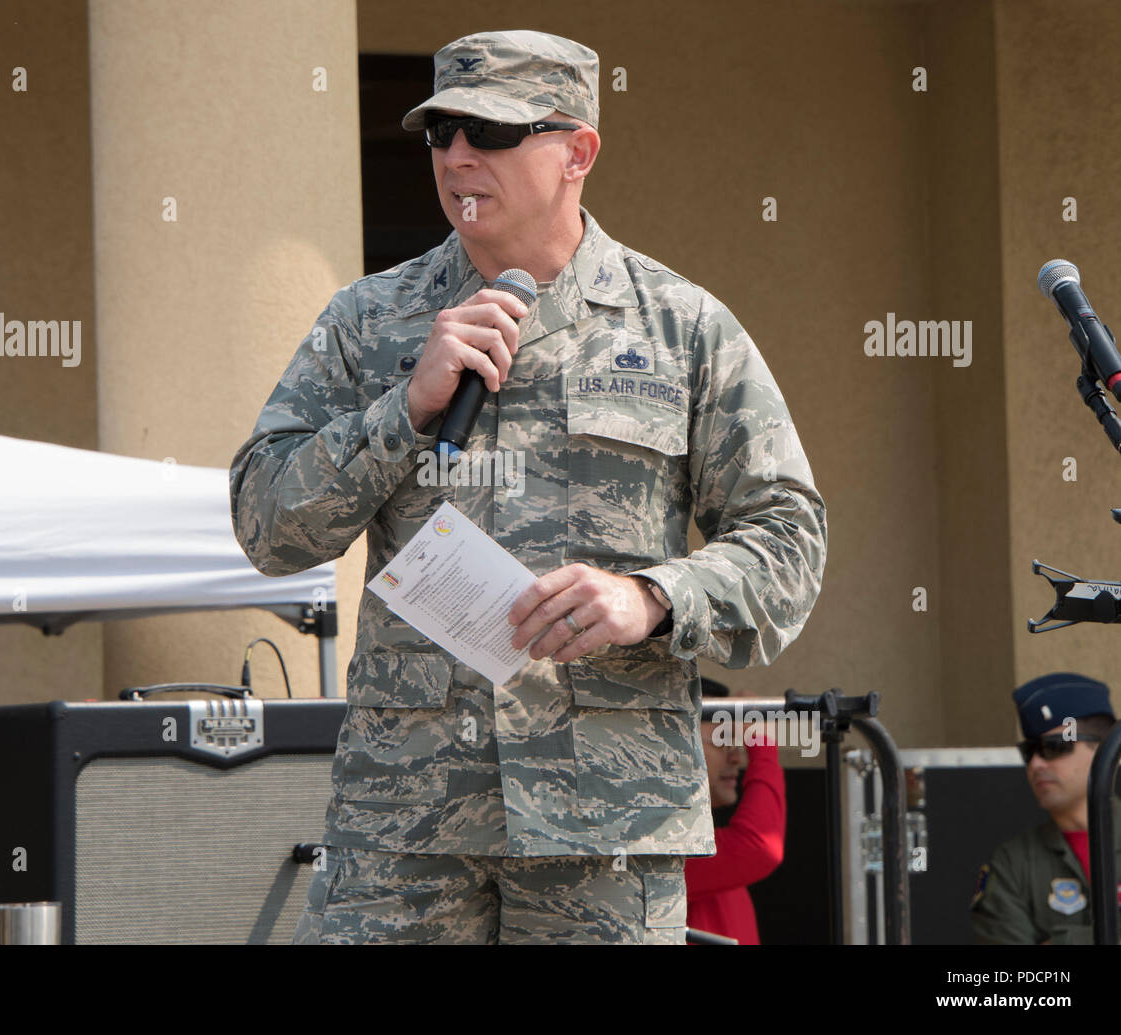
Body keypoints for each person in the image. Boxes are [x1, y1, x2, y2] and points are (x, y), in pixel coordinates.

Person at [230, 29, 827, 944]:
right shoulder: (369, 321)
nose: (458, 155)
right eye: (440, 133)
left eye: (493, 131)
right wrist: (404, 409)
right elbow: (265, 521)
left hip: (604, 827)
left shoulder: (683, 329)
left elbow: (788, 536)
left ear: (578, 150)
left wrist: (653, 597)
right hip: (405, 827)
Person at [971, 672, 1121, 944]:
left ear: (1103, 750)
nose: (1036, 764)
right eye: (1029, 751)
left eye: (1054, 747)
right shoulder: (1012, 863)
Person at [684, 679, 786, 945]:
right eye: (722, 742)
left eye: (737, 743)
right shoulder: (652, 845)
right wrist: (762, 739)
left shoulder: (709, 845)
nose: (737, 758)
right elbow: (761, 845)